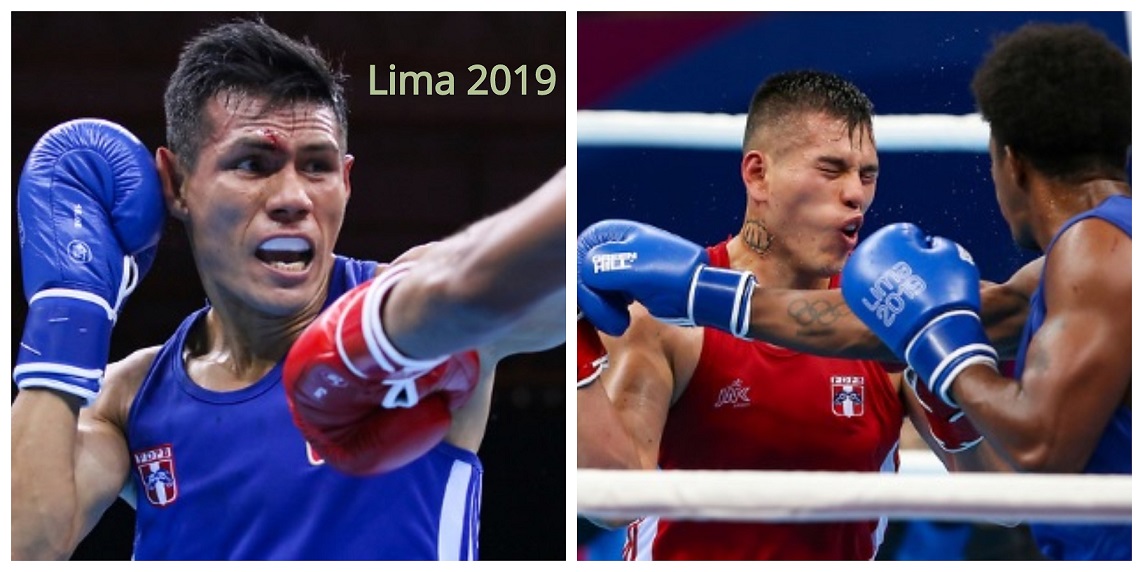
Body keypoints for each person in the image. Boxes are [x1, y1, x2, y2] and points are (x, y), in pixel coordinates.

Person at [11, 18, 564, 561]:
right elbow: (24, 547)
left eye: (317, 167)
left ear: (346, 183)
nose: (294, 197)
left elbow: (527, 296)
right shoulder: (130, 399)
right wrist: (69, 309)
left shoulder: (401, 313)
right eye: (254, 164)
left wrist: (397, 335)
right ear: (177, 184)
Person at [576, 70, 1028, 560]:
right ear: (758, 175)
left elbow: (1002, 503)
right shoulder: (668, 321)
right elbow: (612, 499)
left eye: (868, 174)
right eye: (831, 170)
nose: (856, 193)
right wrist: (573, 341)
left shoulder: (884, 320)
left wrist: (947, 395)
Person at [840, 22, 1131, 560]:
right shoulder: (1073, 269)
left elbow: (1039, 445)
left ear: (1011, 162)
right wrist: (703, 290)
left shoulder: (1095, 247)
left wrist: (955, 366)